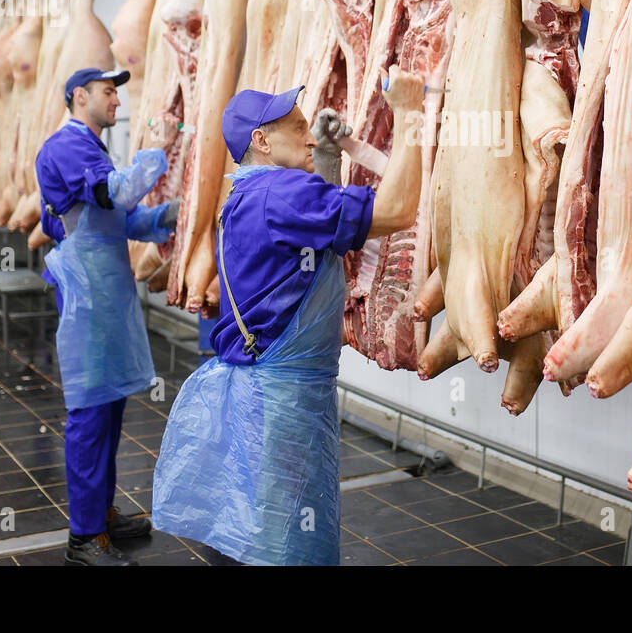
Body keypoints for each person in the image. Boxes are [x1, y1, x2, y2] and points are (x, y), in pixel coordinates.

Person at [152, 65, 425, 565]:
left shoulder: (251, 193)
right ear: (261, 140)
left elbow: (318, 229)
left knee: (256, 520)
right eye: (296, 126)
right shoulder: (279, 192)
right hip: (280, 399)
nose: (306, 132)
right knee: (281, 535)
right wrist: (409, 115)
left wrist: (323, 155)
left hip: (262, 390)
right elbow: (398, 212)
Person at [36, 67, 179, 566]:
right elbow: (113, 196)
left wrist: (166, 218)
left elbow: (118, 218)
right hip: (87, 296)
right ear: (80, 97)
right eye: (108, 92)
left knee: (111, 408)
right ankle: (83, 537)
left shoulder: (93, 150)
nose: (117, 101)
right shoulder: (67, 146)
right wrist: (157, 151)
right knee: (91, 414)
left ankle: (101, 514)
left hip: (107, 293)